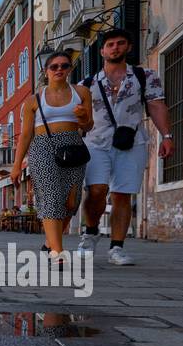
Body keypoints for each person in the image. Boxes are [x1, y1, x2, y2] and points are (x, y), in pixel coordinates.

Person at [77, 27, 173, 265]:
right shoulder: (86, 84)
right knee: (96, 190)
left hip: (131, 141)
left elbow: (157, 106)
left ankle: (116, 249)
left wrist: (167, 136)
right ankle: (90, 233)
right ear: (102, 51)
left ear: (128, 48)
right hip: (95, 142)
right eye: (110, 44)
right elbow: (76, 117)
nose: (115, 48)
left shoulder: (145, 77)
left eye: (120, 43)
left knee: (122, 195)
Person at [10, 49, 94, 261]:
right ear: (46, 71)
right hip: (43, 147)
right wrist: (17, 164)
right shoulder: (33, 100)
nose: (59, 70)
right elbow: (26, 134)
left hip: (73, 145)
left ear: (70, 69)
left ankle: (50, 242)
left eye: (64, 66)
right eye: (54, 66)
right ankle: (58, 253)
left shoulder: (82, 93)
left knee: (70, 202)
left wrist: (83, 117)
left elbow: (88, 126)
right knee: (50, 198)